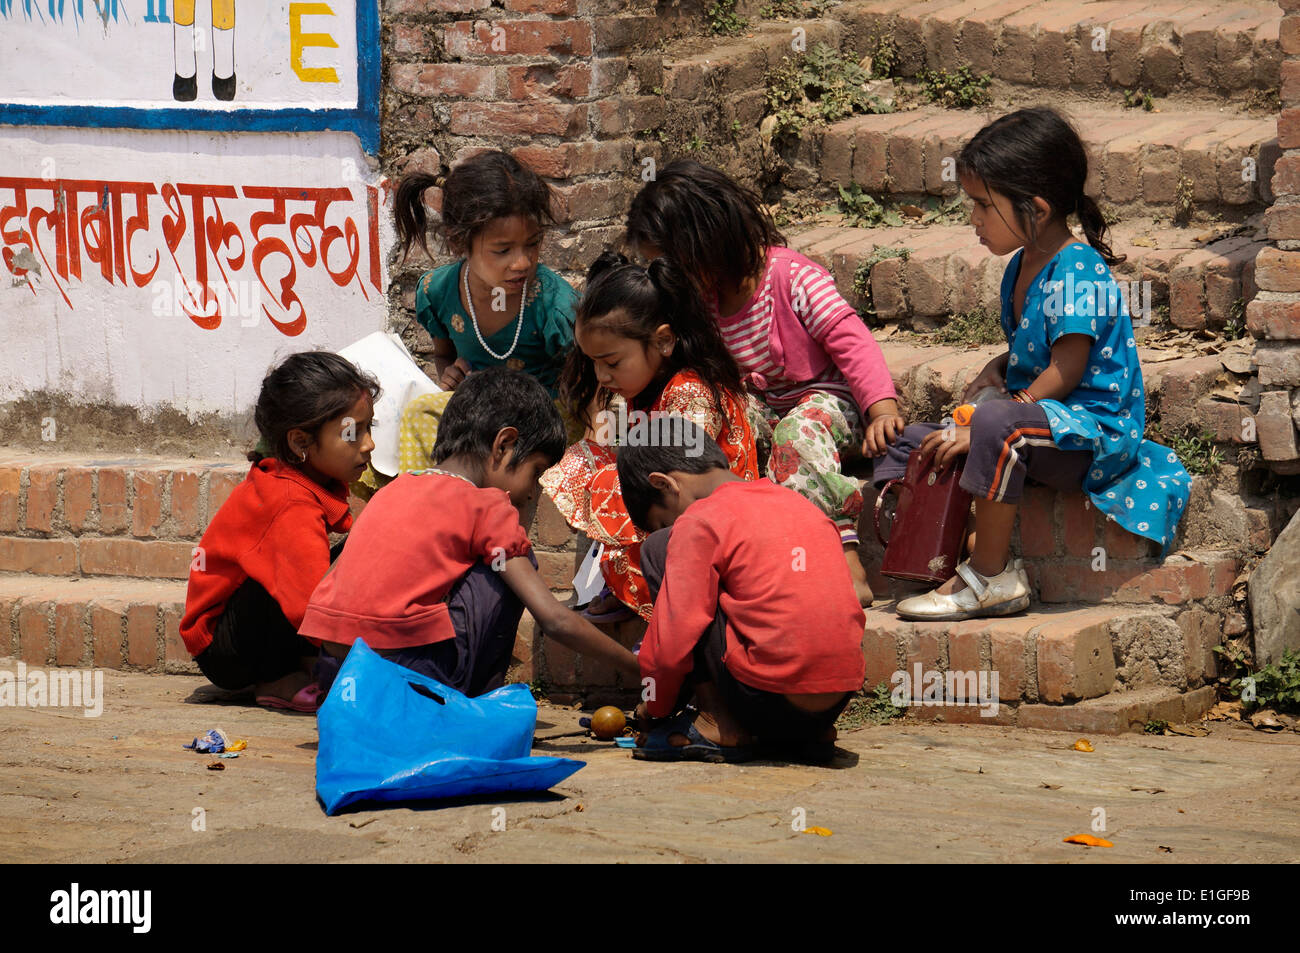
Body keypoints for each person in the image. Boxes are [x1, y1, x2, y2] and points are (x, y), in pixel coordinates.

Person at [871, 107, 1192, 621]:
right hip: (1039, 423)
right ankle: (948, 546)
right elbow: (1035, 345)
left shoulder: (1077, 267)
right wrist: (999, 366)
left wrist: (989, 417)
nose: (972, 218)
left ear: (1036, 209)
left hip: (1090, 430)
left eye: (982, 205)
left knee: (995, 426)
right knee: (916, 440)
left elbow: (1066, 369)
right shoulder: (1021, 266)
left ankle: (990, 576)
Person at [626, 160, 902, 606]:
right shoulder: (707, 302)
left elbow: (852, 339)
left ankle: (844, 558)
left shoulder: (792, 278)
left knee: (797, 434)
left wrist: (880, 407)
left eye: (671, 263)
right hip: (766, 410)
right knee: (708, 411)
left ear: (705, 241)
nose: (668, 277)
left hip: (829, 407)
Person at [301, 368, 640, 697]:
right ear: (503, 445)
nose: (531, 493)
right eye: (535, 471)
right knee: (515, 558)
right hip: (412, 677)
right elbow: (554, 620)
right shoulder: (488, 505)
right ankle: (475, 702)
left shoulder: (392, 491)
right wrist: (642, 668)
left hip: (339, 679)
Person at [617, 418, 866, 764]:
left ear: (664, 484)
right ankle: (809, 736)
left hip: (763, 698)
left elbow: (671, 642)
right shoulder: (802, 506)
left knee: (659, 548)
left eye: (663, 519)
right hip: (834, 701)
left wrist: (655, 705)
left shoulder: (700, 520)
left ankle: (717, 724)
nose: (671, 528)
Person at [540, 250, 759, 623]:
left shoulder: (690, 393)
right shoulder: (650, 387)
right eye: (593, 362)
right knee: (585, 457)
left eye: (611, 363)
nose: (602, 376)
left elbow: (686, 485)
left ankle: (653, 588)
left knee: (611, 477)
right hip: (680, 515)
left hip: (716, 526)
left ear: (663, 341)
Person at [356, 150, 581, 496]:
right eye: (502, 250)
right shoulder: (438, 292)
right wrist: (451, 376)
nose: (522, 262)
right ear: (461, 241)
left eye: (532, 245)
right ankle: (424, 505)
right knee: (421, 412)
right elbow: (445, 357)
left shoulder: (554, 306)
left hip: (542, 417)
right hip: (479, 417)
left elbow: (584, 383)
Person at [180, 351, 378, 711]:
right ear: (301, 443)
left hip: (249, 630)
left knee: (362, 547)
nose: (368, 444)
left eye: (369, 429)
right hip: (227, 650)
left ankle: (299, 663)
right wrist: (375, 669)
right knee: (310, 579)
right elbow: (310, 610)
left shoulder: (302, 481)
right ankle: (277, 677)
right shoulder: (290, 501)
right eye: (352, 433)